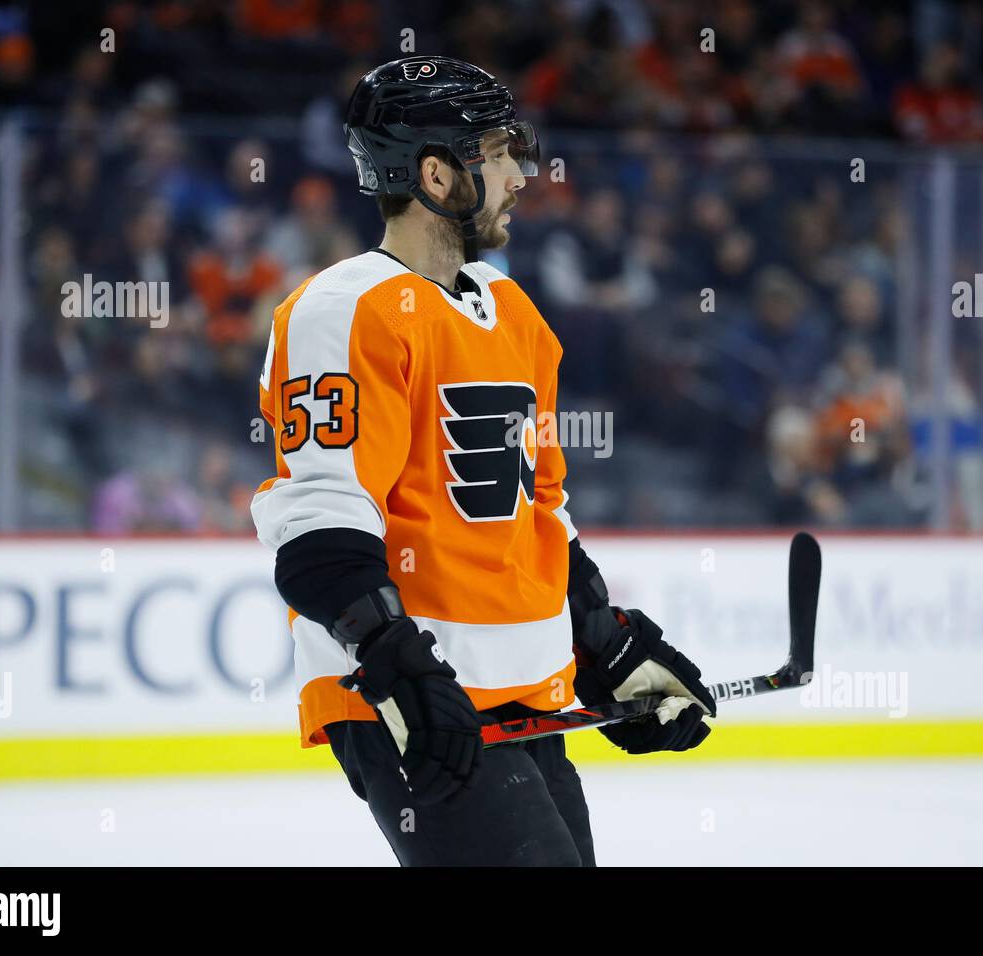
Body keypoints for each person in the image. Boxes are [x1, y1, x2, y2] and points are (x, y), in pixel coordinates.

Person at [250, 56, 715, 867]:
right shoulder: (344, 309)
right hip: (424, 703)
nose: (520, 174)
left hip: (524, 698)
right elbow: (320, 527)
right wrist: (398, 668)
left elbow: (540, 509)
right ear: (435, 173)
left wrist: (605, 643)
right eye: (497, 152)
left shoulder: (511, 308)